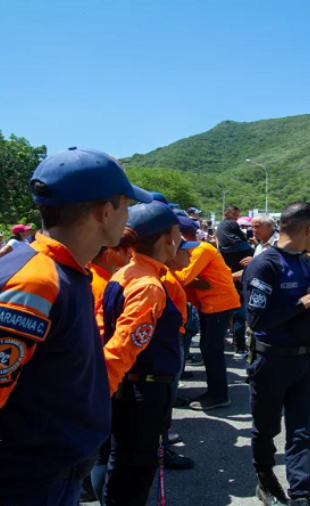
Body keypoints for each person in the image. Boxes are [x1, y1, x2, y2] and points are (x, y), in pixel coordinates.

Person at [0, 147, 150, 505]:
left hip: (45, 475)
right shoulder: (36, 282)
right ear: (104, 210)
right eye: (126, 205)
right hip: (21, 483)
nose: (129, 217)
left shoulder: (64, 271)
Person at [98, 202, 199, 505]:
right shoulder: (148, 285)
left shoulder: (127, 272)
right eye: (178, 235)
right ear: (169, 237)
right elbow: (122, 346)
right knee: (134, 471)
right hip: (143, 389)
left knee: (125, 465)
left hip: (134, 386)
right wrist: (99, 393)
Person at [242, 202, 310, 506]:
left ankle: (301, 496)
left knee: (302, 432)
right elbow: (257, 320)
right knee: (266, 429)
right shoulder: (265, 264)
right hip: (271, 361)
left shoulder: (305, 261)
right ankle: (266, 479)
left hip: (308, 360)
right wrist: (308, 301)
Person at [173, 218, 241, 407]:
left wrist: (161, 267)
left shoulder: (201, 250)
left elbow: (185, 276)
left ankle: (218, 395)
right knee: (208, 348)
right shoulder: (196, 249)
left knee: (212, 350)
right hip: (211, 303)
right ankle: (216, 391)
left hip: (219, 304)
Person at [216, 205, 254, 271]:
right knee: (253, 250)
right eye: (234, 214)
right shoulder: (232, 222)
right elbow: (242, 236)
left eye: (237, 215)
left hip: (224, 249)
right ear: (226, 214)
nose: (236, 217)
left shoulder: (220, 224)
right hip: (235, 246)